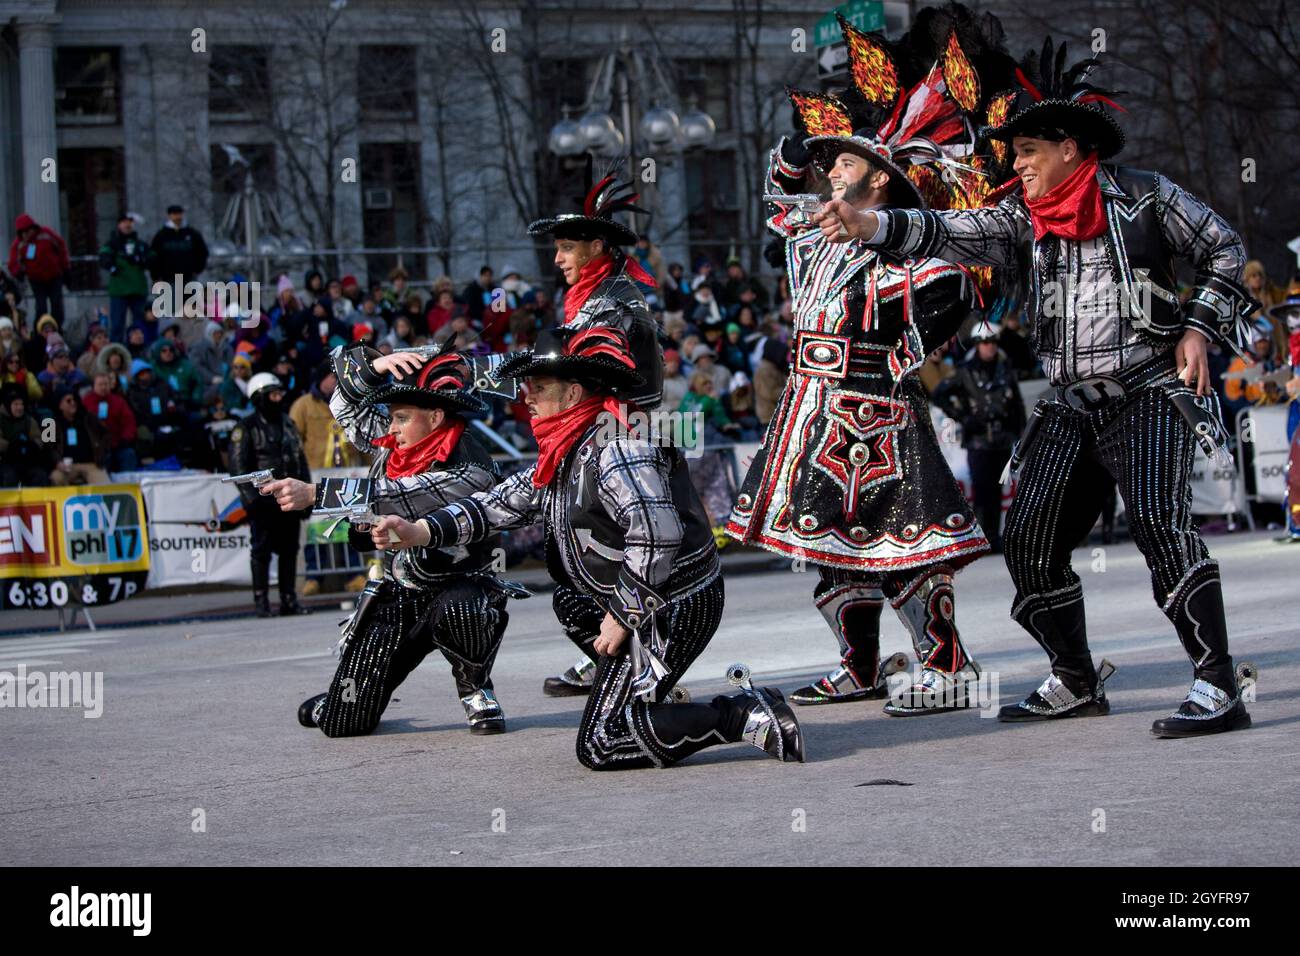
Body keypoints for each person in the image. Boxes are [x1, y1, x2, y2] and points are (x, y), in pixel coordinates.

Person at [817, 36, 1257, 736]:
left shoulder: (1146, 197)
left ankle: (1217, 683)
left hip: (1147, 391)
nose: (1015, 164)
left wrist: (1199, 328)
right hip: (1070, 407)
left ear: (1070, 150)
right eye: (1014, 153)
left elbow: (1225, 249)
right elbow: (950, 231)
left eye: (1027, 152)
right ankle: (1075, 679)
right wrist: (870, 223)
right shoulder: (1022, 218)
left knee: (1159, 524)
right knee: (1027, 541)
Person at [374, 326, 804, 769]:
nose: (526, 396)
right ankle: (647, 696)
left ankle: (742, 714)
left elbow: (656, 533)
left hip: (677, 599)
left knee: (601, 743)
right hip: (651, 598)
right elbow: (502, 503)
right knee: (570, 602)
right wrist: (419, 531)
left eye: (539, 387)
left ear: (574, 392)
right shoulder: (570, 442)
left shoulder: (617, 444)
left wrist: (623, 614)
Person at [728, 13, 993, 713]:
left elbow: (954, 286)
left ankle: (950, 665)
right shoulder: (818, 238)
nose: (831, 172)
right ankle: (861, 666)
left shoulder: (898, 246)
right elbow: (779, 206)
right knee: (824, 543)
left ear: (879, 181)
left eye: (844, 164)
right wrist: (791, 154)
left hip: (875, 414)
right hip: (810, 409)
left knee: (901, 541)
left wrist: (904, 353)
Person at [280, 342, 518, 736]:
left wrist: (316, 494)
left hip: (457, 588)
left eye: (401, 418)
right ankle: (343, 700)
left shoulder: (472, 464)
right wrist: (374, 367)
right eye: (391, 417)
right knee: (342, 723)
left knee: (465, 607)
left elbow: (402, 494)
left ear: (436, 416)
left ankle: (477, 690)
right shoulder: (399, 443)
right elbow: (343, 407)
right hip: (399, 592)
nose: (390, 428)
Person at [526, 156, 667, 696]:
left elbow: (598, 378)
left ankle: (645, 659)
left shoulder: (611, 301)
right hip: (601, 433)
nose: (557, 258)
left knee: (612, 546)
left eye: (566, 247)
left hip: (619, 438)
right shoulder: (592, 295)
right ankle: (614, 653)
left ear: (597, 247)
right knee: (578, 551)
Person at [933, 320, 1026, 552]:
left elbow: (1017, 404)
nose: (989, 346)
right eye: (984, 342)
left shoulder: (1005, 368)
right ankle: (982, 537)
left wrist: (1021, 433)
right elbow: (940, 394)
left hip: (1002, 439)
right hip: (978, 440)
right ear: (977, 344)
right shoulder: (965, 371)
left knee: (998, 491)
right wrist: (962, 416)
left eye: (993, 341)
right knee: (982, 491)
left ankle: (995, 536)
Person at [227, 373, 313, 617]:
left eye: (279, 394)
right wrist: (252, 500)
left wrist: (307, 495)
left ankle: (288, 599)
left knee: (290, 550)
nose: (278, 398)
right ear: (260, 398)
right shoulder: (246, 428)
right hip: (263, 501)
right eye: (273, 395)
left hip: (289, 497)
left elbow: (300, 459)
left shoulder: (288, 424)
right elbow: (238, 467)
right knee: (261, 551)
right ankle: (261, 601)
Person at [7, 214, 69, 327]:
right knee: (41, 307)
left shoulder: (46, 234)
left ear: (33, 228)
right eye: (23, 232)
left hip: (54, 276)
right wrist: (18, 272)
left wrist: (66, 268)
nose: (26, 234)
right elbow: (12, 262)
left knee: (57, 304)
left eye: (27, 230)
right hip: (36, 280)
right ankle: (40, 331)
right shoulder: (19, 244)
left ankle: (57, 327)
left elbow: (61, 247)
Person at [99, 213, 151, 342]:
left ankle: (140, 349)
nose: (127, 225)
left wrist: (142, 260)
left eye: (130, 222)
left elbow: (153, 259)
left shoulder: (141, 245)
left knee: (140, 325)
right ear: (119, 225)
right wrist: (113, 267)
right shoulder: (112, 244)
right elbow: (103, 258)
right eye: (124, 222)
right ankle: (117, 350)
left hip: (138, 289)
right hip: (119, 290)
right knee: (117, 325)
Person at [48, 388, 110, 485]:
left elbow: (106, 433)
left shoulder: (89, 417)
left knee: (104, 485)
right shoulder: (49, 422)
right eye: (68, 401)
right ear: (60, 405)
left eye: (74, 400)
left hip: (91, 464)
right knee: (55, 478)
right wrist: (57, 463)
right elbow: (47, 448)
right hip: (66, 466)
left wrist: (100, 452)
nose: (73, 403)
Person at [82, 372, 138, 472]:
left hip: (117, 444)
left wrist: (125, 438)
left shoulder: (119, 401)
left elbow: (129, 422)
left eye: (106, 384)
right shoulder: (86, 402)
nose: (103, 387)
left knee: (129, 454)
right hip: (95, 447)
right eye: (100, 384)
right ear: (94, 386)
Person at [0, 385, 51, 487]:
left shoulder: (29, 420)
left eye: (22, 404)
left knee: (40, 475)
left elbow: (38, 438)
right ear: (8, 405)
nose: (20, 407)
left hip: (26, 460)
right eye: (16, 404)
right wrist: (10, 446)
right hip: (5, 460)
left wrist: (32, 445)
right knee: (9, 476)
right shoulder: (1, 419)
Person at [149, 204, 209, 286]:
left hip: (189, 278)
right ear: (169, 216)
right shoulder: (161, 235)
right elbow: (154, 256)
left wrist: (197, 269)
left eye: (179, 214)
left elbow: (202, 252)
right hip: (168, 279)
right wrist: (156, 276)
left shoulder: (192, 234)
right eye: (174, 214)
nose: (177, 217)